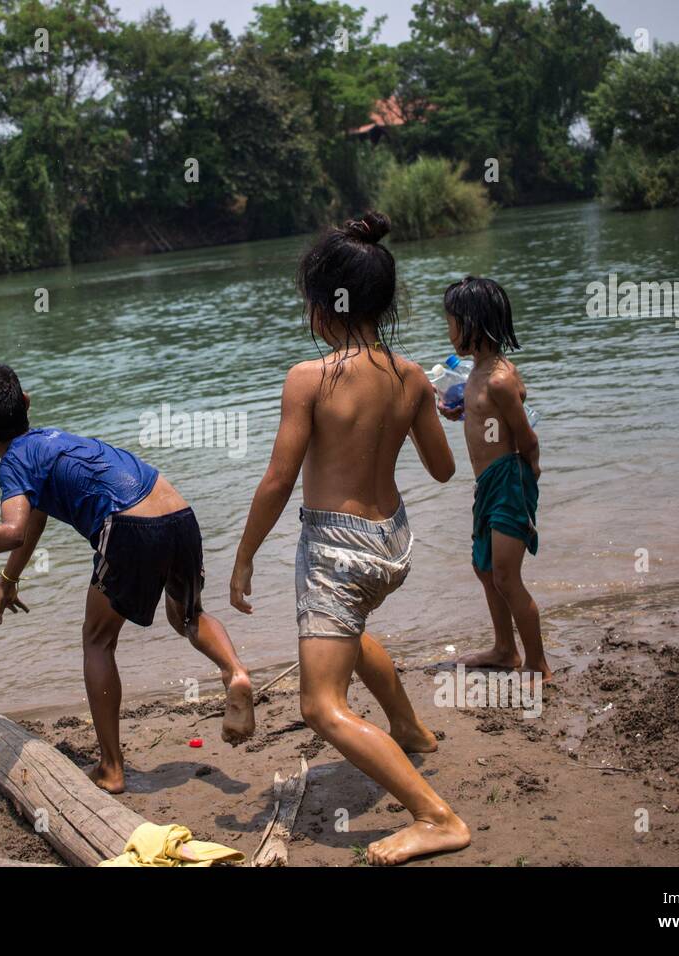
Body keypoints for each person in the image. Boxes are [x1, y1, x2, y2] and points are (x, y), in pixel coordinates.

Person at [0, 361, 255, 793]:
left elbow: (13, 529)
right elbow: (34, 519)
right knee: (188, 616)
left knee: (97, 640)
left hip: (128, 526)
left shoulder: (14, 463)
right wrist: (9, 578)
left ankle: (111, 769)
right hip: (175, 511)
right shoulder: (52, 442)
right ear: (26, 402)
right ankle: (235, 672)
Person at [230, 211, 471, 864]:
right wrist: (448, 408)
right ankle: (411, 729)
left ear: (321, 305)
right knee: (348, 633)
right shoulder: (413, 375)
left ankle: (436, 816)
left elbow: (279, 480)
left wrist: (244, 556)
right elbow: (444, 470)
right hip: (391, 546)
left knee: (320, 706)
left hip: (336, 551)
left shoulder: (309, 379)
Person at [436, 277, 551, 682]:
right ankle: (505, 649)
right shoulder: (476, 373)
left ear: (472, 323)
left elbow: (525, 436)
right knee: (484, 569)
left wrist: (528, 476)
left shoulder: (500, 378)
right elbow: (489, 422)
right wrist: (460, 412)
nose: (448, 332)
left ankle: (537, 662)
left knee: (505, 575)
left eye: (451, 322)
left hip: (509, 480)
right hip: (487, 483)